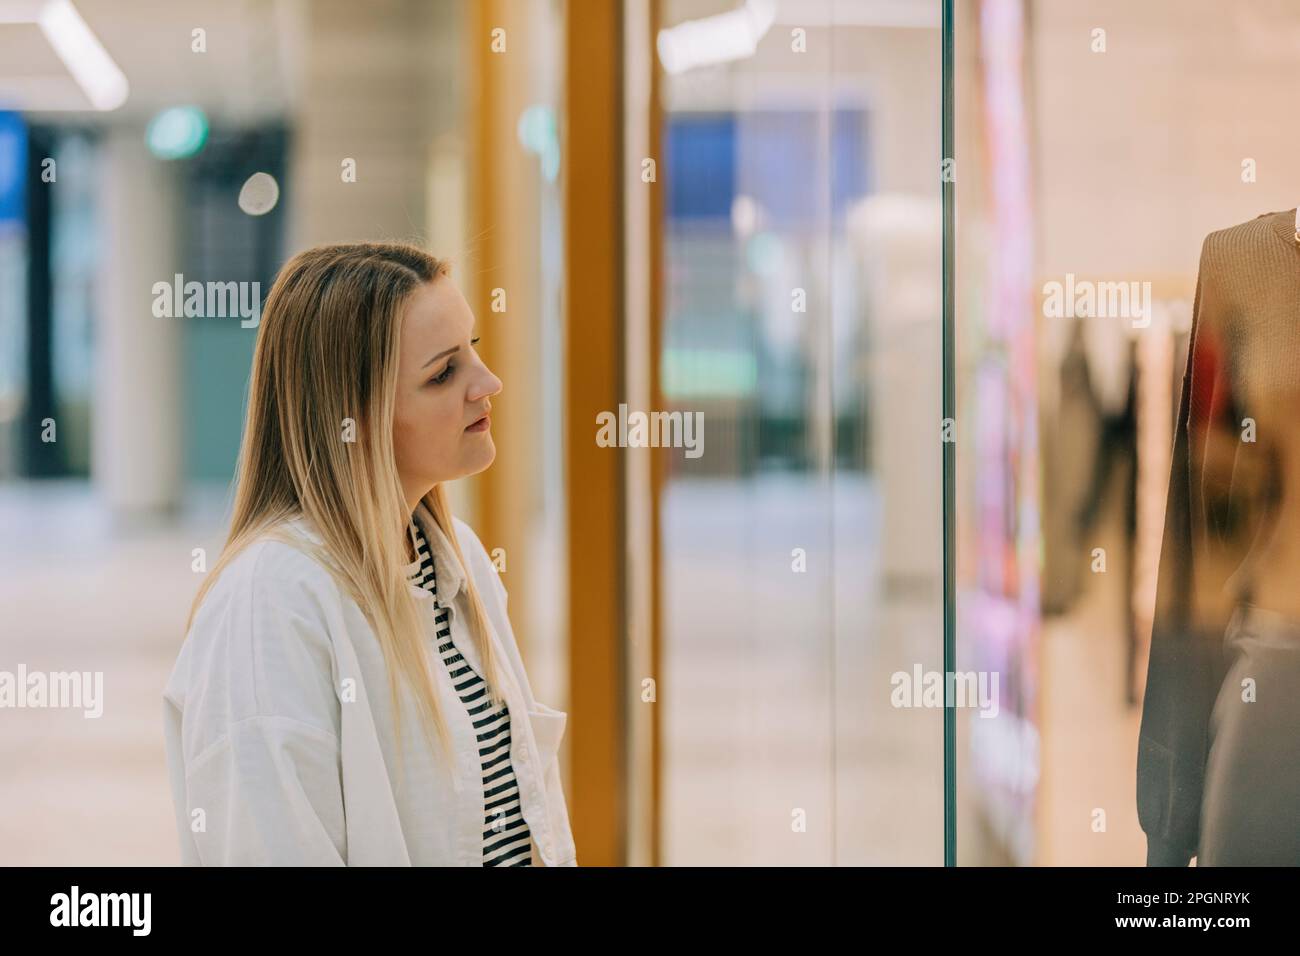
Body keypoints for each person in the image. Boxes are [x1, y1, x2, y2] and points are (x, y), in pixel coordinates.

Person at [162, 242, 577, 866]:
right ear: (350, 418)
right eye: (443, 373)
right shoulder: (268, 604)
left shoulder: (455, 558)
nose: (487, 385)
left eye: (475, 351)